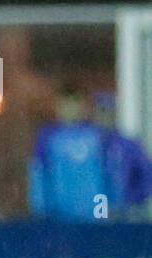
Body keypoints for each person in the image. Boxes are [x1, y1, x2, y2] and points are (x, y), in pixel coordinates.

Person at [29, 89, 107, 223]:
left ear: (82, 107)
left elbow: (109, 173)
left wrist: (109, 208)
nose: (70, 110)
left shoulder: (98, 135)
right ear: (58, 107)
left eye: (74, 105)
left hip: (94, 214)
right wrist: (41, 208)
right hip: (60, 215)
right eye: (66, 106)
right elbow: (39, 173)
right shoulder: (48, 136)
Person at [94, 92, 152, 220]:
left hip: (125, 214)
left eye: (110, 111)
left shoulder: (130, 145)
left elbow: (147, 176)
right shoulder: (88, 145)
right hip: (92, 215)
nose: (106, 116)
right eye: (103, 111)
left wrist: (134, 200)